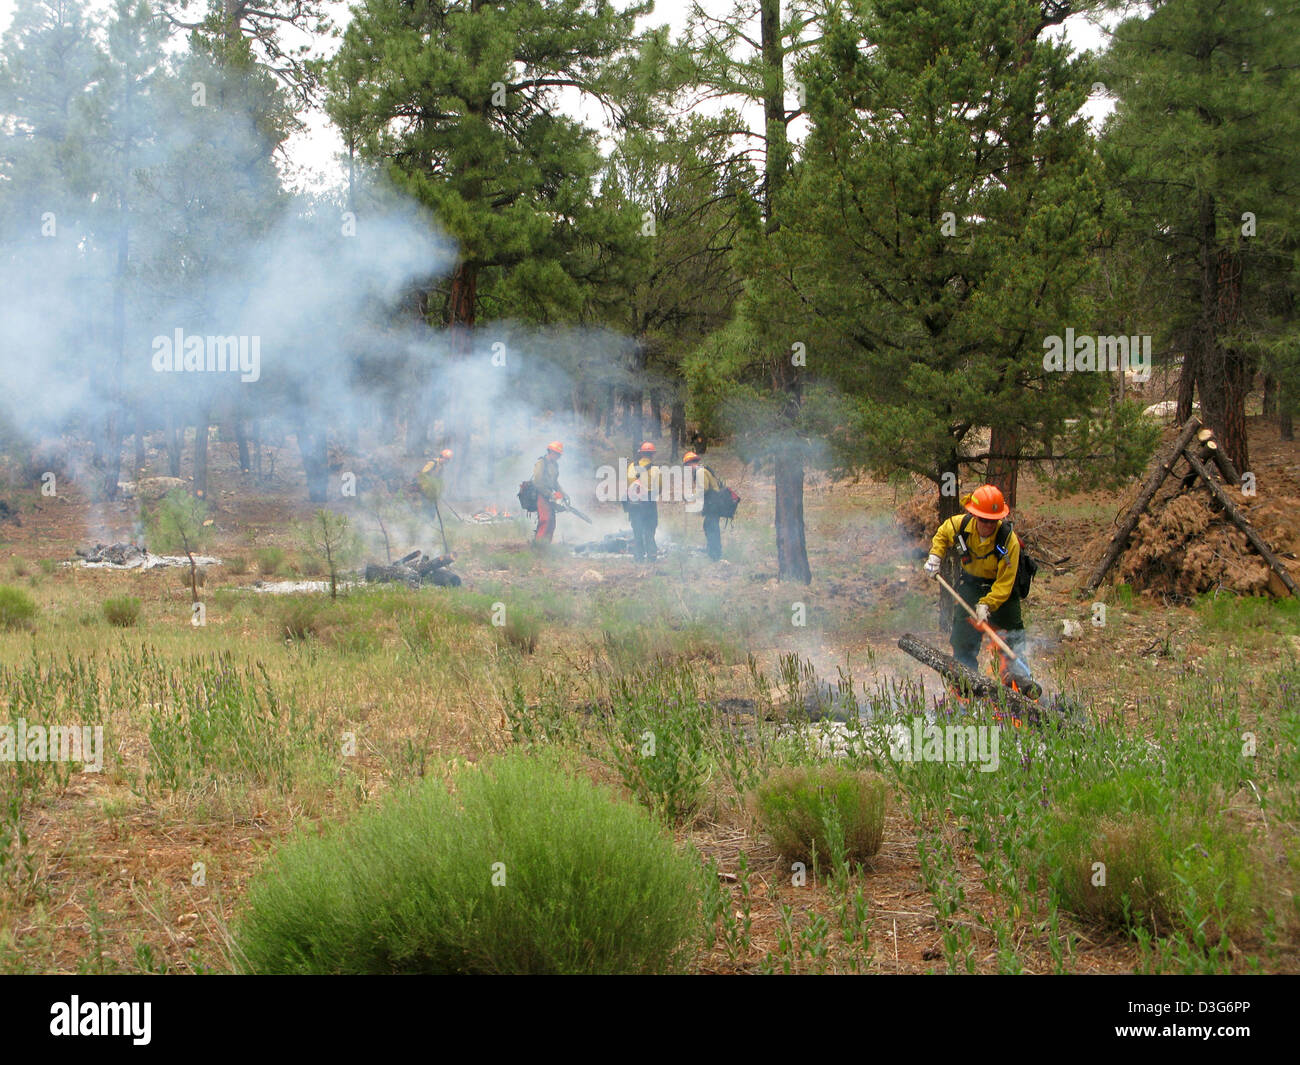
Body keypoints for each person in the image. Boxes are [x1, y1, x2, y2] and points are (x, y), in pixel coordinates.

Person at [924, 484, 1041, 700]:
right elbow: (942, 534)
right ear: (973, 514)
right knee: (962, 639)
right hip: (970, 586)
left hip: (1001, 594)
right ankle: (965, 692)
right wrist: (935, 556)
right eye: (983, 519)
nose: (988, 525)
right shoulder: (959, 526)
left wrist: (987, 604)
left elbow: (1005, 583)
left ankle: (1019, 693)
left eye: (992, 520)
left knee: (1012, 639)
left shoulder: (1009, 542)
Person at [684, 451, 723, 561]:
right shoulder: (701, 471)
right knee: (709, 526)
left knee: (711, 527)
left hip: (713, 504)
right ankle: (713, 552)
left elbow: (703, 489)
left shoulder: (700, 472)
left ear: (690, 464)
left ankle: (715, 555)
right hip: (713, 504)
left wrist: (691, 496)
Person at [626, 441, 660, 561]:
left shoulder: (631, 467)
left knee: (637, 530)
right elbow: (658, 488)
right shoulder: (655, 469)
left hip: (634, 503)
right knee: (650, 530)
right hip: (649, 504)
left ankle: (639, 556)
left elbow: (628, 484)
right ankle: (651, 555)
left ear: (640, 454)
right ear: (652, 455)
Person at [532, 441, 567, 545]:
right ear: (550, 452)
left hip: (550, 496)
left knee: (551, 522)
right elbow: (537, 482)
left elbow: (555, 482)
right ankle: (538, 546)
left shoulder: (555, 465)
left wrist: (563, 493)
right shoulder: (541, 463)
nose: (558, 457)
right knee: (545, 520)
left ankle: (546, 545)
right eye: (557, 454)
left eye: (559, 455)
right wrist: (549, 494)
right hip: (541, 495)